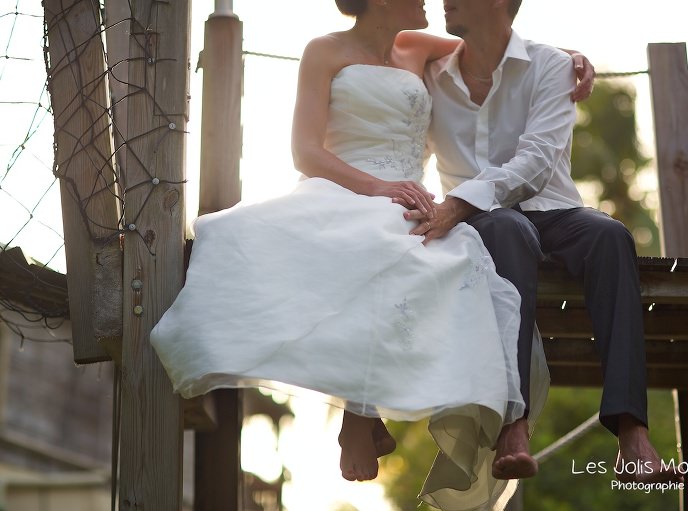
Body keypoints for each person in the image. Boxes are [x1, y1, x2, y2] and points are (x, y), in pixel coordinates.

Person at [151, 1, 592, 509]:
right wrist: (377, 187)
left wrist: (570, 57)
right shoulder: (325, 50)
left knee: (432, 251)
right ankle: (358, 415)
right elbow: (306, 152)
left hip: (409, 196)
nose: (428, 1)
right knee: (348, 238)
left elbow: (503, 46)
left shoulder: (420, 48)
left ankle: (364, 417)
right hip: (345, 185)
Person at [404, 0, 681, 484]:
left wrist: (458, 203)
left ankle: (632, 431)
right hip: (485, 224)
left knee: (611, 236)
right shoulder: (431, 79)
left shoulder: (550, 66)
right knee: (508, 229)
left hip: (551, 207)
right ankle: (515, 424)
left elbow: (536, 162)